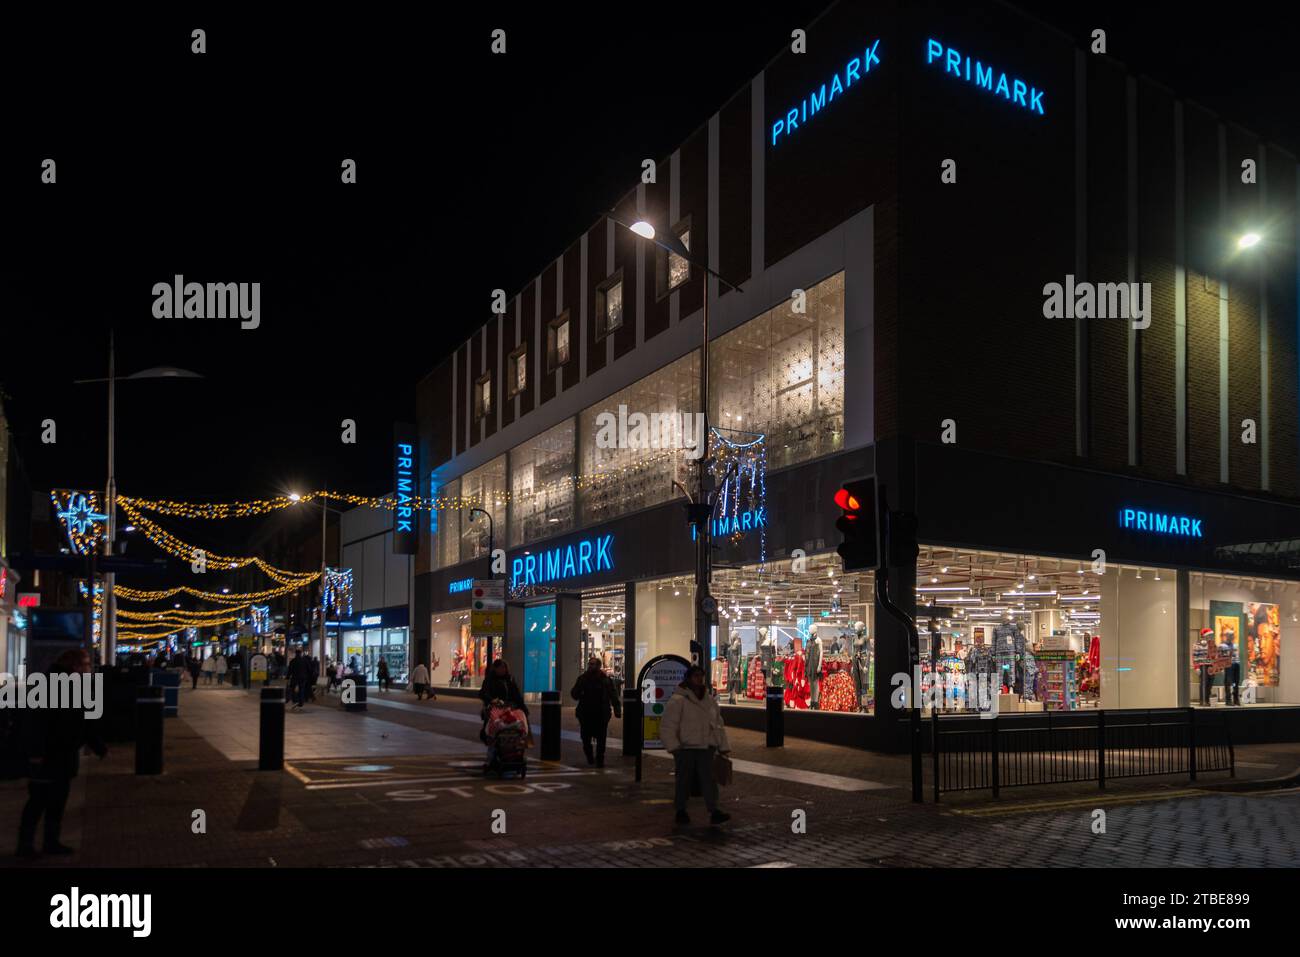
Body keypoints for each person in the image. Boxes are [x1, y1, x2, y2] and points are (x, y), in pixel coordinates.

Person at [16, 648, 107, 858]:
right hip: (48, 755)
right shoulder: (52, 685)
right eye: (85, 664)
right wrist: (36, 752)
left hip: (62, 754)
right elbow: (36, 722)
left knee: (55, 800)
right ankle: (27, 844)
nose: (89, 669)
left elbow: (82, 723)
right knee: (39, 800)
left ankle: (49, 842)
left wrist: (96, 744)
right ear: (74, 666)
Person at [659, 664, 731, 827]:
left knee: (709, 781)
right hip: (686, 748)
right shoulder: (679, 700)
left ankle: (714, 811)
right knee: (683, 780)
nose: (699, 679)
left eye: (701, 676)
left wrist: (723, 745)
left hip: (706, 747)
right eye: (696, 676)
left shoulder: (709, 700)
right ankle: (681, 810)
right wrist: (674, 747)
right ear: (689, 678)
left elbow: (718, 724)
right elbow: (668, 726)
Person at [571, 657, 621, 767]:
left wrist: (617, 710)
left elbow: (613, 695)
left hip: (601, 714)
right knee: (585, 738)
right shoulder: (583, 679)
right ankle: (589, 756)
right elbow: (574, 694)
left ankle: (600, 760)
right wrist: (579, 690)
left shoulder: (605, 680)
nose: (590, 666)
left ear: (598, 666)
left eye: (593, 664)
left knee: (601, 738)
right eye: (589, 664)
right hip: (586, 713)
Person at [478, 659, 528, 744]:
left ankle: (519, 745)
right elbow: (483, 693)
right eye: (500, 668)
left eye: (504, 668)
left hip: (510, 707)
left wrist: (522, 707)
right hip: (497, 707)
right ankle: (492, 743)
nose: (503, 670)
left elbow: (516, 694)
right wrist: (492, 700)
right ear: (495, 669)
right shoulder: (490, 680)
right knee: (495, 726)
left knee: (518, 723)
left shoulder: (509, 679)